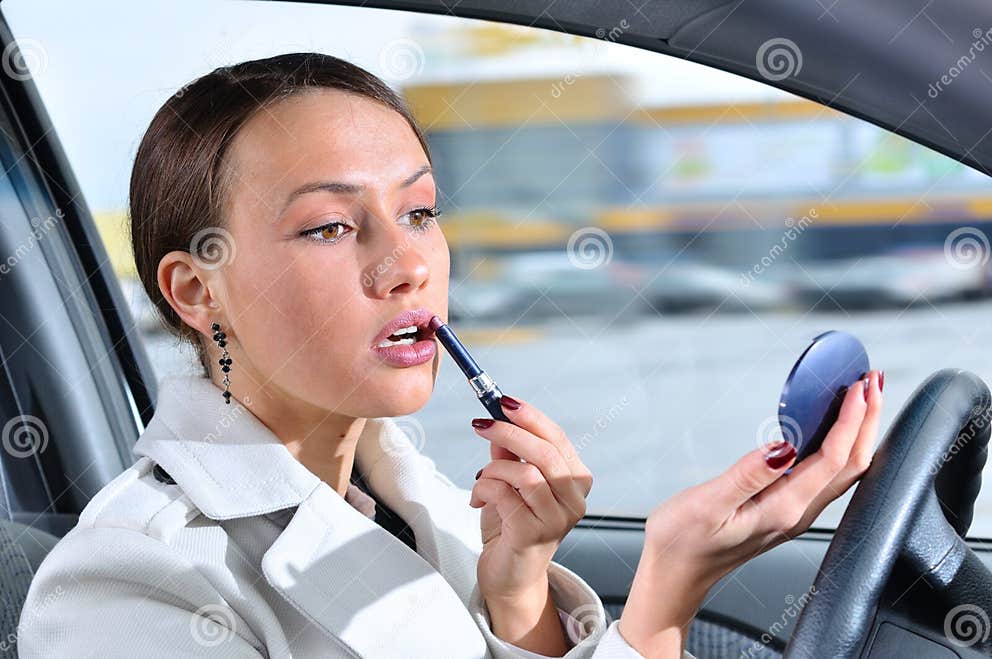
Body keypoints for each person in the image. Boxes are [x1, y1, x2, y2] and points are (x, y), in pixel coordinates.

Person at [16, 52, 883, 658]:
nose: (407, 265)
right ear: (199, 290)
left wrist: (519, 597)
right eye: (329, 226)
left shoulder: (424, 500)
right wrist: (662, 597)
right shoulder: (132, 583)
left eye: (421, 211)